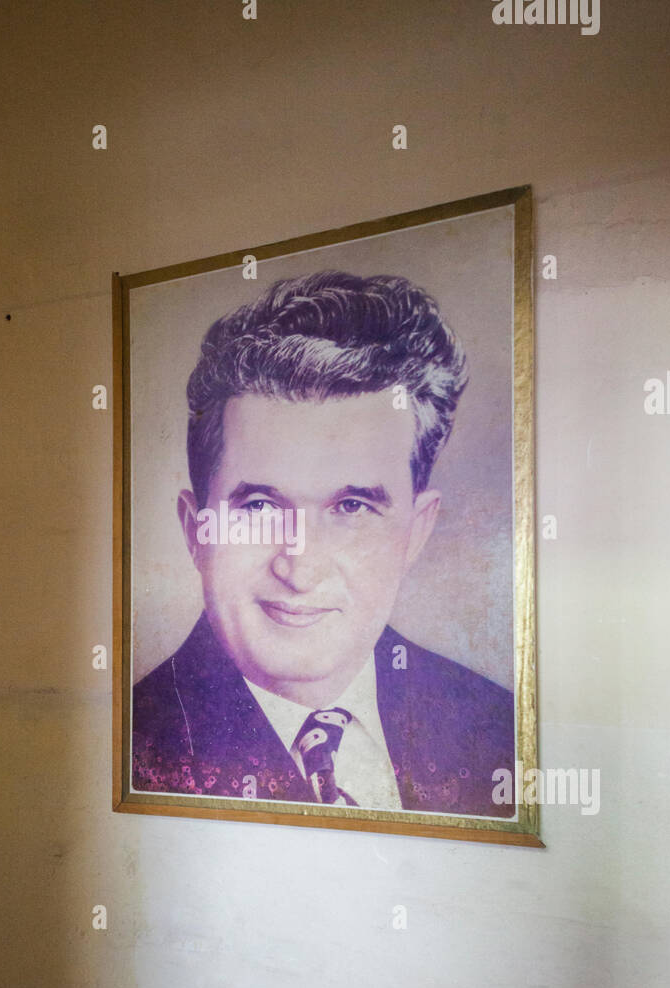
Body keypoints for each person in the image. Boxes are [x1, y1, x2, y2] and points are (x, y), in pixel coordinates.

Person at [132, 271, 515, 817]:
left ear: (417, 530)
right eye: (260, 506)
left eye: (351, 507)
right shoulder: (133, 740)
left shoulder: (498, 728)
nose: (300, 565)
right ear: (197, 531)